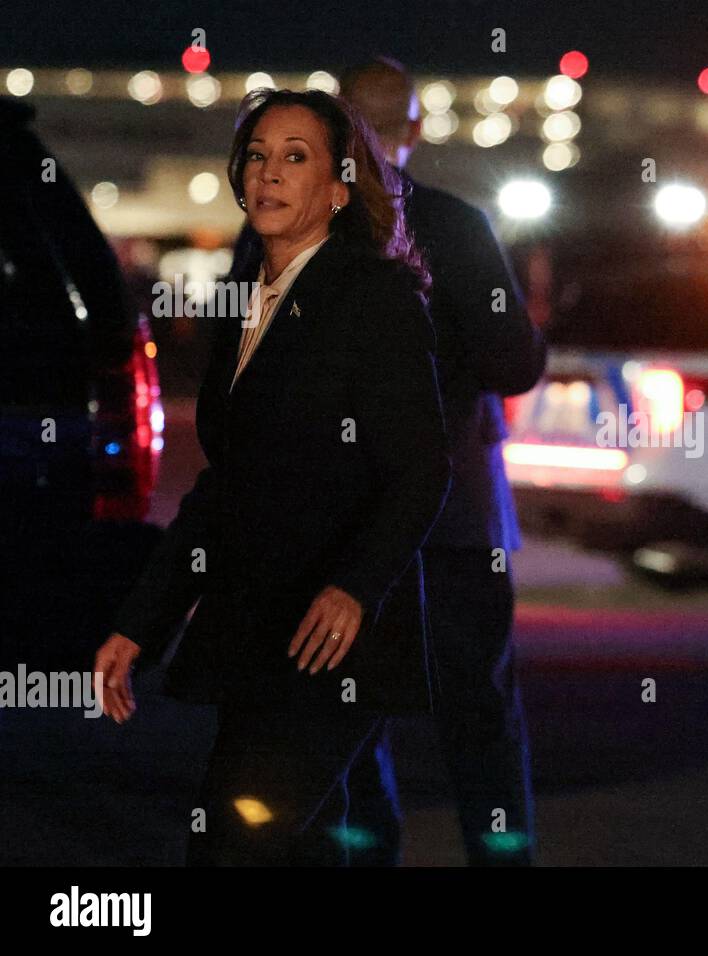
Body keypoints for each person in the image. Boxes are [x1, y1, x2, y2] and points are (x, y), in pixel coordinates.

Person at [93, 88, 451, 866]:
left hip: (331, 641)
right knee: (302, 849)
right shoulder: (247, 295)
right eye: (257, 155)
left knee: (235, 842)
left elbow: (421, 468)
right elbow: (223, 487)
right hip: (254, 630)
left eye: (296, 157)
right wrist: (139, 622)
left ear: (339, 185)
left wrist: (357, 585)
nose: (269, 173)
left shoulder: (373, 295)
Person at [337, 57, 547, 866]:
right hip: (459, 518)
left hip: (345, 521)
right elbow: (512, 362)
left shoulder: (287, 224)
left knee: (349, 713)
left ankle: (365, 855)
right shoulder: (455, 224)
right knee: (481, 715)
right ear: (414, 129)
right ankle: (500, 857)